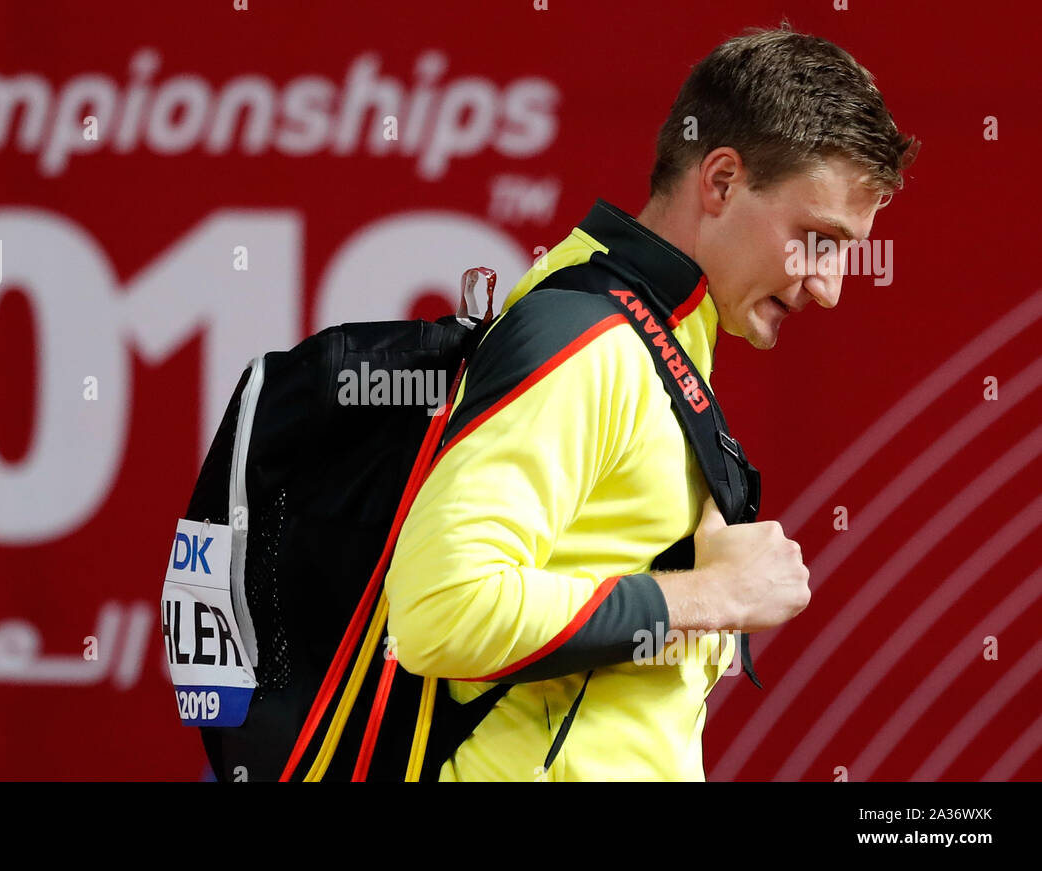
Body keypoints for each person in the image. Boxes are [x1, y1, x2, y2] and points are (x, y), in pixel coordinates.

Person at [383, 22, 918, 781]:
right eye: (816, 239)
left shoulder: (655, 326)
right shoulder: (590, 338)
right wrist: (714, 594)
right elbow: (441, 610)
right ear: (722, 181)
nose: (828, 286)